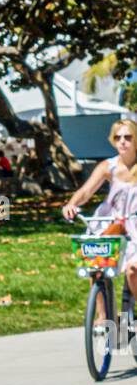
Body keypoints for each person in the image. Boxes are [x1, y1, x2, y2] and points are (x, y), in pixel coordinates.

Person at [63, 118, 137, 303]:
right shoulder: (108, 166)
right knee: (96, 266)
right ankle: (102, 319)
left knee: (133, 270)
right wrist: (72, 204)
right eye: (117, 137)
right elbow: (86, 191)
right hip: (111, 224)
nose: (122, 141)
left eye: (128, 137)